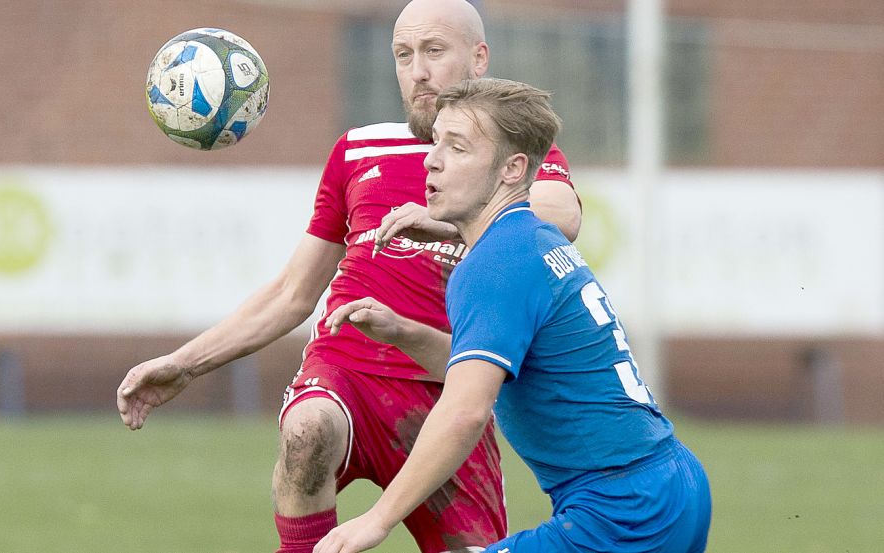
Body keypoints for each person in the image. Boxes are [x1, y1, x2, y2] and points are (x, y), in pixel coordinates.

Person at [116, 1, 581, 551]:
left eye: (434, 51)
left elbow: (561, 216)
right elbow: (293, 294)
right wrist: (185, 364)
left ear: (479, 58)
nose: (419, 71)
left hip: (448, 387)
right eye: (404, 55)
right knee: (308, 430)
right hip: (347, 370)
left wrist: (448, 221)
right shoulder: (358, 149)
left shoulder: (515, 151)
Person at [315, 78, 712, 553]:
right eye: (435, 140)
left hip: (622, 509)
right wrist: (402, 331)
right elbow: (491, 374)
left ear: (512, 168)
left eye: (457, 147)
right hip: (667, 484)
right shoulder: (532, 238)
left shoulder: (496, 263)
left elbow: (465, 411)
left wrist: (376, 520)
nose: (431, 158)